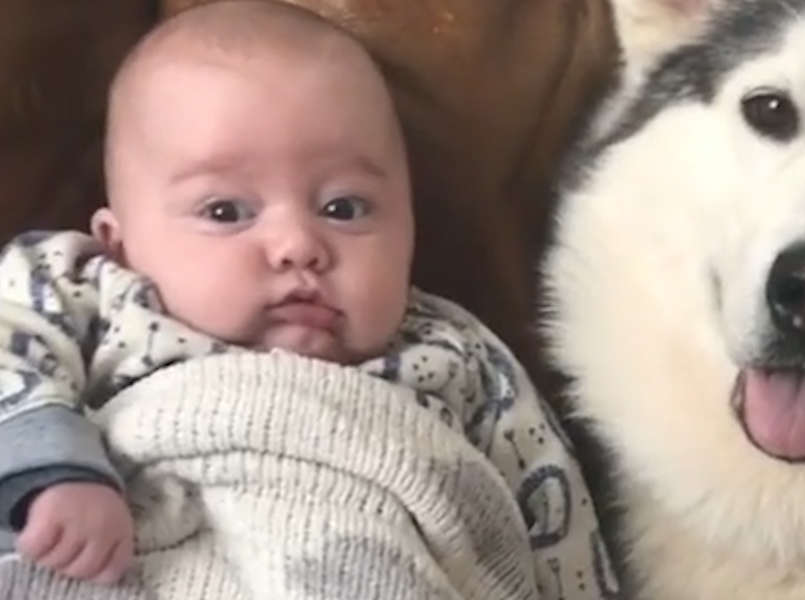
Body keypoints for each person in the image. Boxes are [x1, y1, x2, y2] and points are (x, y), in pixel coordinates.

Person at [0, 1, 609, 597]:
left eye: (344, 208)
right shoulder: (87, 286)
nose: (298, 245)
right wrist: (52, 474)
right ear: (119, 243)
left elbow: (556, 517)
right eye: (225, 211)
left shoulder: (460, 354)